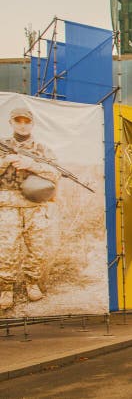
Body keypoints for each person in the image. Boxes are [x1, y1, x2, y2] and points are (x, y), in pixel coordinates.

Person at [0, 107, 60, 311]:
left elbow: (56, 174)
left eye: (26, 121)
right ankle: (5, 288)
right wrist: (4, 161)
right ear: (11, 123)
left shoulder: (41, 149)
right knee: (6, 249)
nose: (22, 125)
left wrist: (31, 164)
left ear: (32, 124)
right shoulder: (2, 146)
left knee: (37, 247)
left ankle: (32, 283)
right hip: (7, 204)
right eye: (18, 121)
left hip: (35, 205)